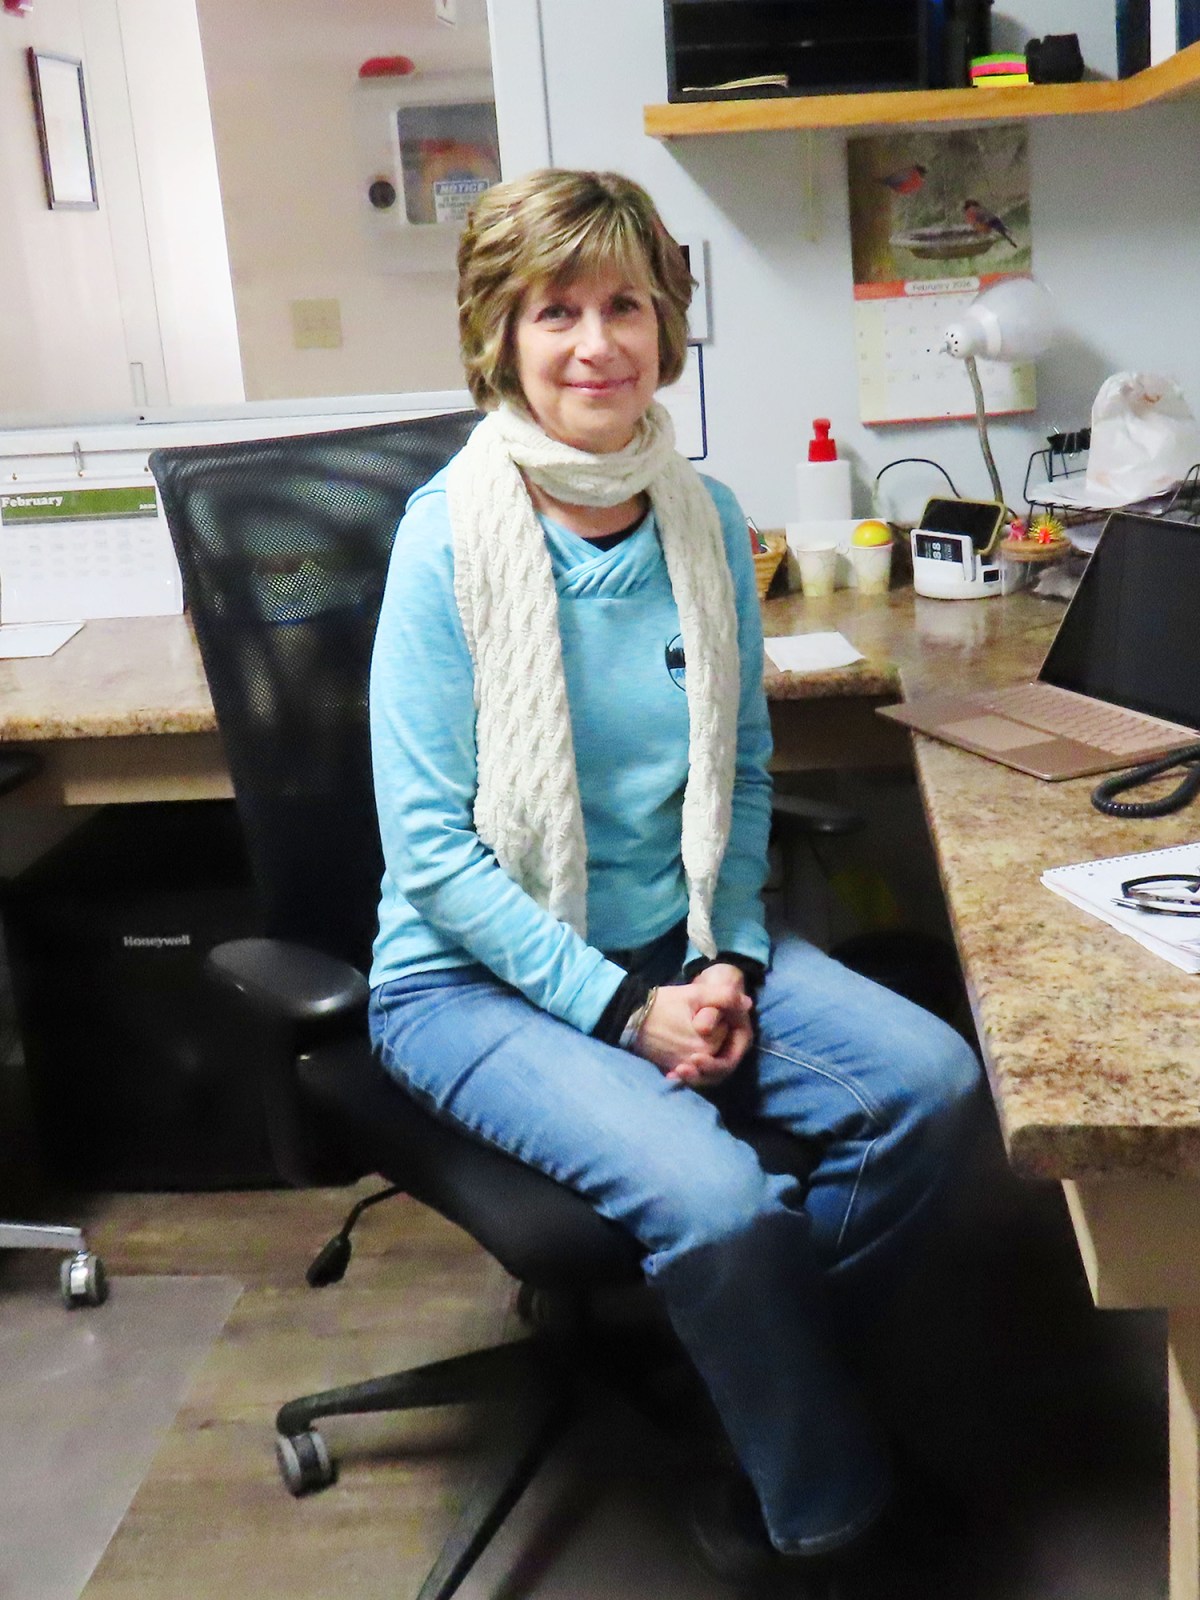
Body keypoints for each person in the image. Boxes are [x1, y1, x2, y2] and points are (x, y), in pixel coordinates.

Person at [367, 167, 982, 1590]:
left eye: (626, 304)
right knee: (716, 1207)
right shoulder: (443, 541)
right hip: (465, 981)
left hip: (679, 938)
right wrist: (626, 1010)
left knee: (932, 1093)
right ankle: (826, 1515)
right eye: (556, 311)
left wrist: (728, 961)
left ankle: (758, 1383)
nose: (598, 343)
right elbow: (435, 858)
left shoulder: (701, 519)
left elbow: (745, 775)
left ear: (667, 321)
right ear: (501, 339)